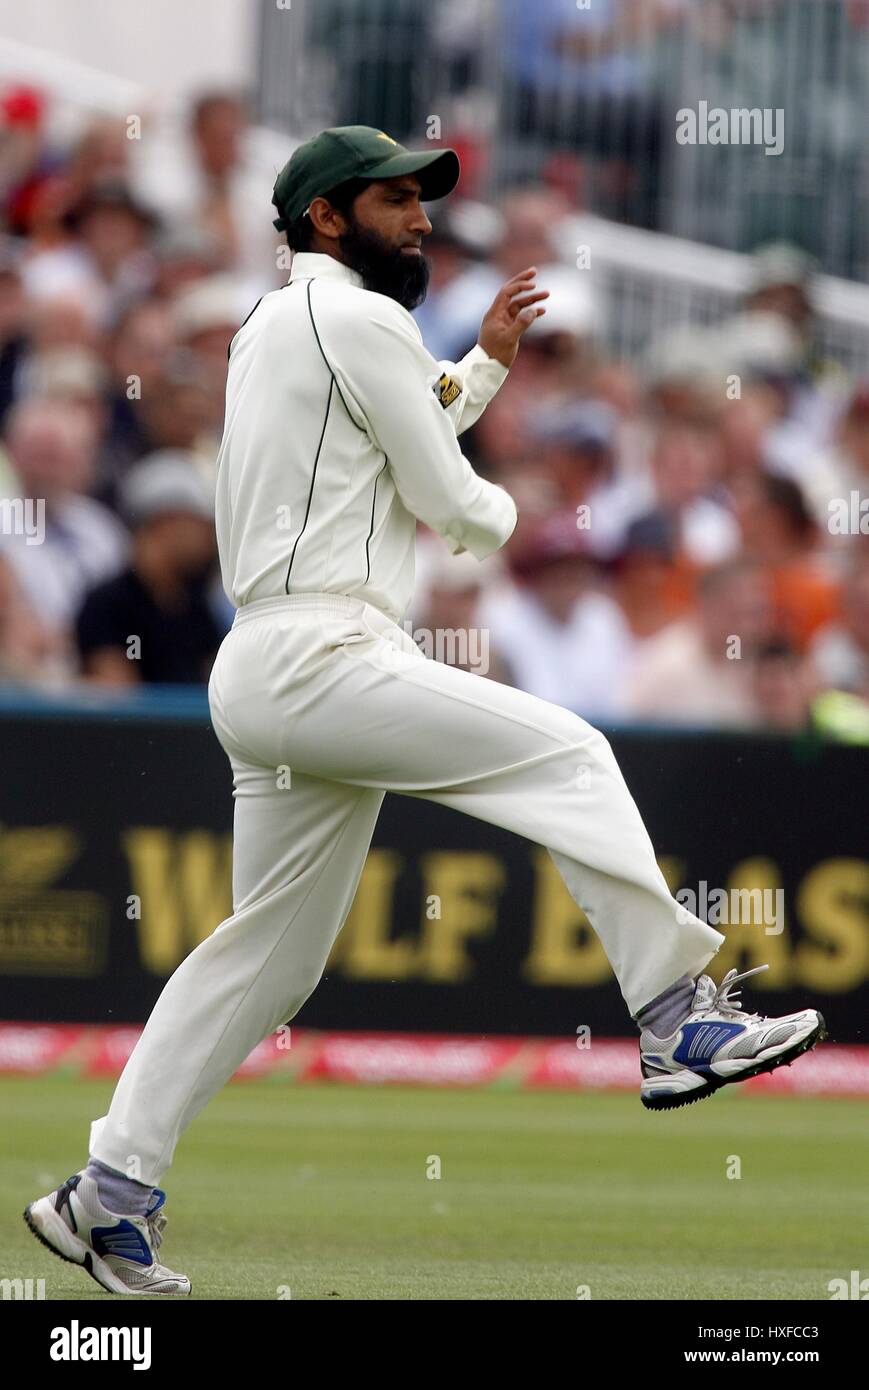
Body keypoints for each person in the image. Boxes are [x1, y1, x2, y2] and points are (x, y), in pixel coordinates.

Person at [24, 126, 825, 1296]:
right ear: (325, 216)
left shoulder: (274, 324)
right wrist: (512, 517)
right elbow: (445, 495)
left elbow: (396, 423)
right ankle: (671, 1018)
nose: (420, 218)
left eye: (420, 199)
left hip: (266, 663)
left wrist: (483, 370)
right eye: (394, 200)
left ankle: (110, 1192)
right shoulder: (360, 322)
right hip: (324, 649)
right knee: (572, 750)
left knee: (266, 959)